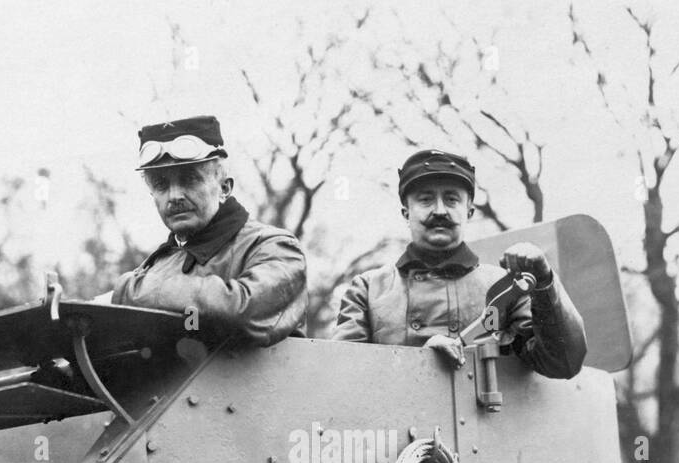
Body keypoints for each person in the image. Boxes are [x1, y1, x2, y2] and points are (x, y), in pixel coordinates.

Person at [329, 149, 586, 378]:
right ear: (406, 213)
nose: (440, 210)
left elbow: (562, 364)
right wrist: (419, 361)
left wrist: (544, 283)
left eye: (452, 199)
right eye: (425, 199)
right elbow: (343, 375)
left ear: (469, 212)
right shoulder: (367, 289)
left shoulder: (506, 287)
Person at [108, 115, 307, 346]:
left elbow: (244, 312)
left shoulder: (274, 248)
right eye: (161, 185)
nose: (174, 196)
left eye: (190, 180)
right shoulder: (156, 265)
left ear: (224, 187)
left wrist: (125, 293)